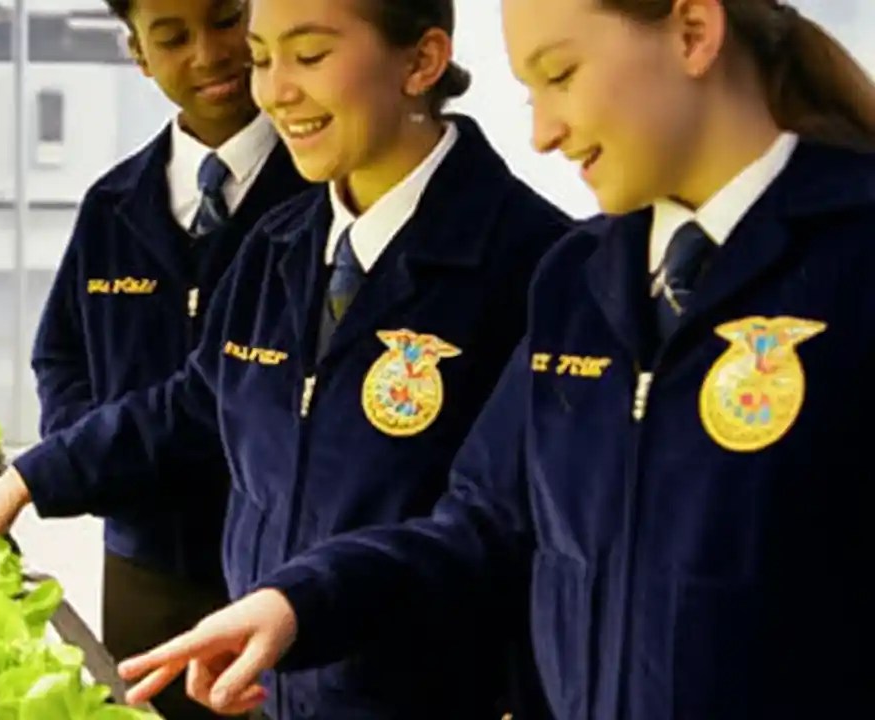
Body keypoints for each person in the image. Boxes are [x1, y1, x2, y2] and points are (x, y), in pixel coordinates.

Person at [115, 1, 875, 718]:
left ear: (693, 32)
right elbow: (487, 522)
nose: (543, 132)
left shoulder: (854, 261)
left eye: (562, 75)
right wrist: (296, 604)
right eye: (528, 91)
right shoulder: (579, 280)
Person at [0, 0, 570, 717]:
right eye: (265, 57)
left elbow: (496, 528)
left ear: (422, 62)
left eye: (309, 56)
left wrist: (299, 604)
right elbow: (196, 403)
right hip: (276, 684)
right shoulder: (278, 248)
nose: (273, 90)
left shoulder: (536, 266)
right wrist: (23, 481)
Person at [23, 1, 310, 717]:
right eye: (173, 38)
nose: (210, 54)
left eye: (226, 21)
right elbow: (60, 352)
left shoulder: (320, 196)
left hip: (280, 568)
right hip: (144, 567)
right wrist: (88, 451)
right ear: (139, 56)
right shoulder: (114, 204)